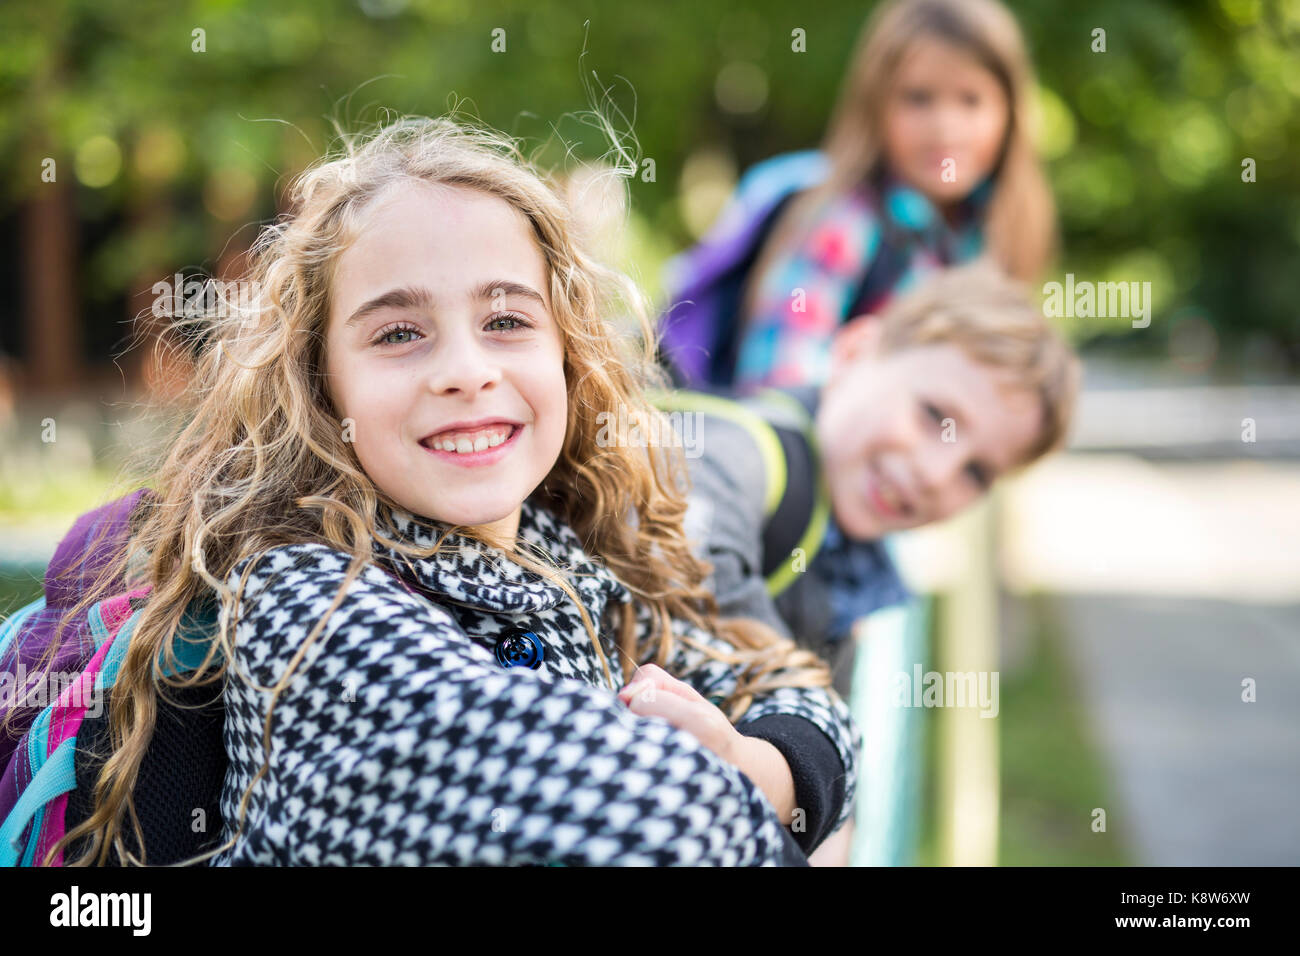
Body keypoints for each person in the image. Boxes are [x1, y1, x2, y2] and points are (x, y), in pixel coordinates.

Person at [36, 116, 861, 867]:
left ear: (568, 350)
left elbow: (792, 690)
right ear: (320, 386)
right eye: (399, 333)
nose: (467, 371)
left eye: (506, 321)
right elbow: (657, 825)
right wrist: (751, 788)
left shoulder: (570, 553)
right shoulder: (302, 599)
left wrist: (756, 761)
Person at [663, 263, 1081, 697]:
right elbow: (687, 564)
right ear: (854, 353)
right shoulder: (741, 454)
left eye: (976, 472)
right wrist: (803, 716)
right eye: (935, 415)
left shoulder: (849, 566)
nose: (936, 474)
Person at [660, 0, 1056, 390]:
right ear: (874, 105)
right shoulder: (844, 218)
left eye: (971, 100)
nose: (945, 128)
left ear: (1010, 112)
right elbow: (780, 382)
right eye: (918, 98)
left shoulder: (992, 232)